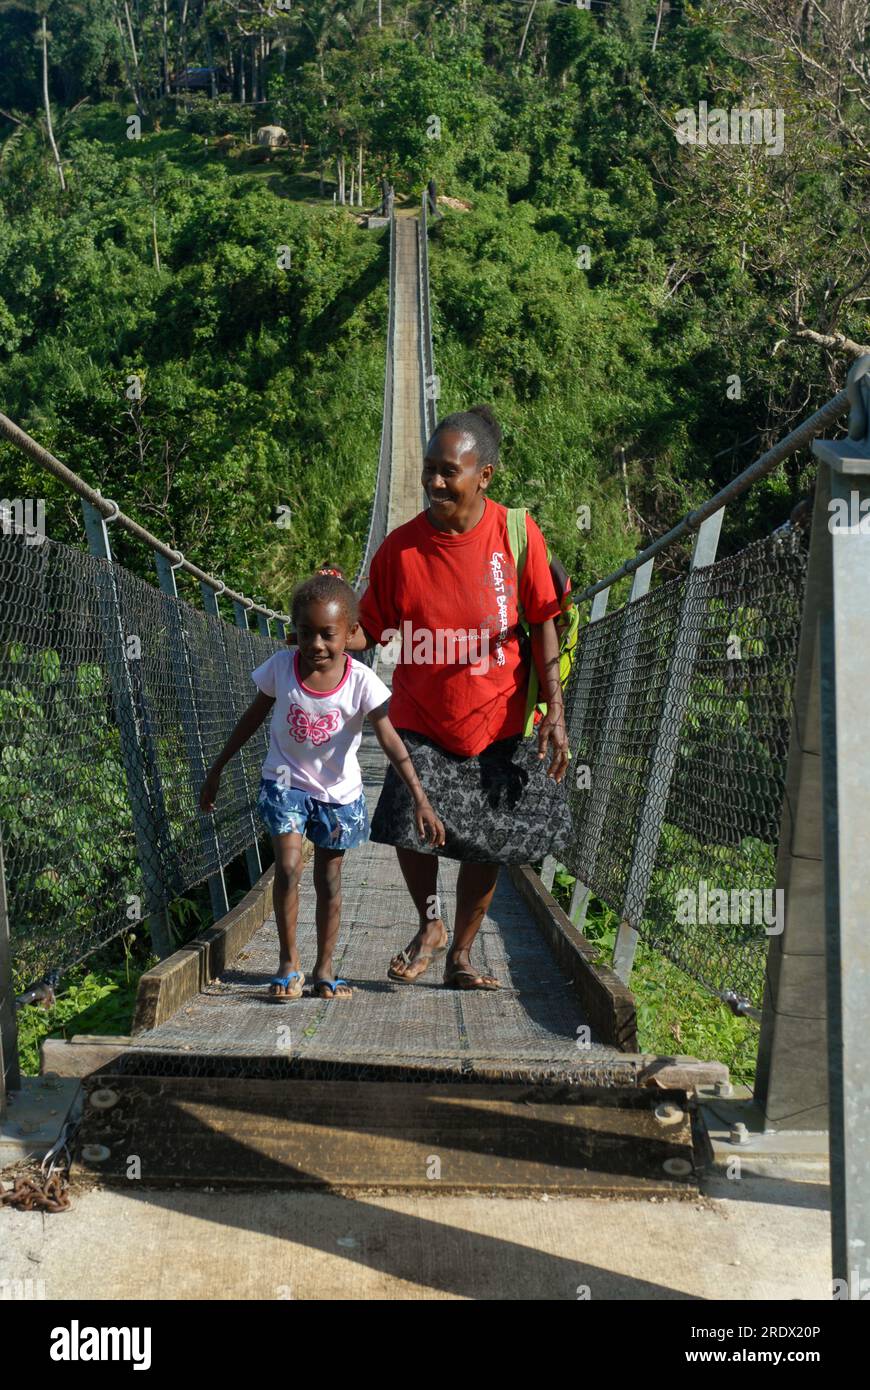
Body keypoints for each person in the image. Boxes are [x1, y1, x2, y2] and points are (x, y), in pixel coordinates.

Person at [345, 404, 572, 991]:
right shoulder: (401, 549)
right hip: (422, 714)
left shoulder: (514, 535)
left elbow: (546, 618)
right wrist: (319, 637)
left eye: (449, 471)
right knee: (404, 820)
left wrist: (556, 711)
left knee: (488, 842)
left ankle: (462, 957)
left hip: (499, 717)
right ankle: (430, 925)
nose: (435, 482)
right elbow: (371, 626)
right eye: (429, 469)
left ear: (484, 475)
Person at [199, 569, 445, 1000]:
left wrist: (420, 798)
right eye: (306, 633)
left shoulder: (362, 681)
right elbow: (252, 718)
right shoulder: (281, 668)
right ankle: (288, 964)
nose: (316, 644)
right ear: (294, 633)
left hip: (338, 794)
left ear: (350, 633)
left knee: (329, 880)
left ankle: (325, 968)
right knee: (290, 867)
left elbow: (389, 738)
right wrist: (218, 766)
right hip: (285, 782)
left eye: (327, 634)